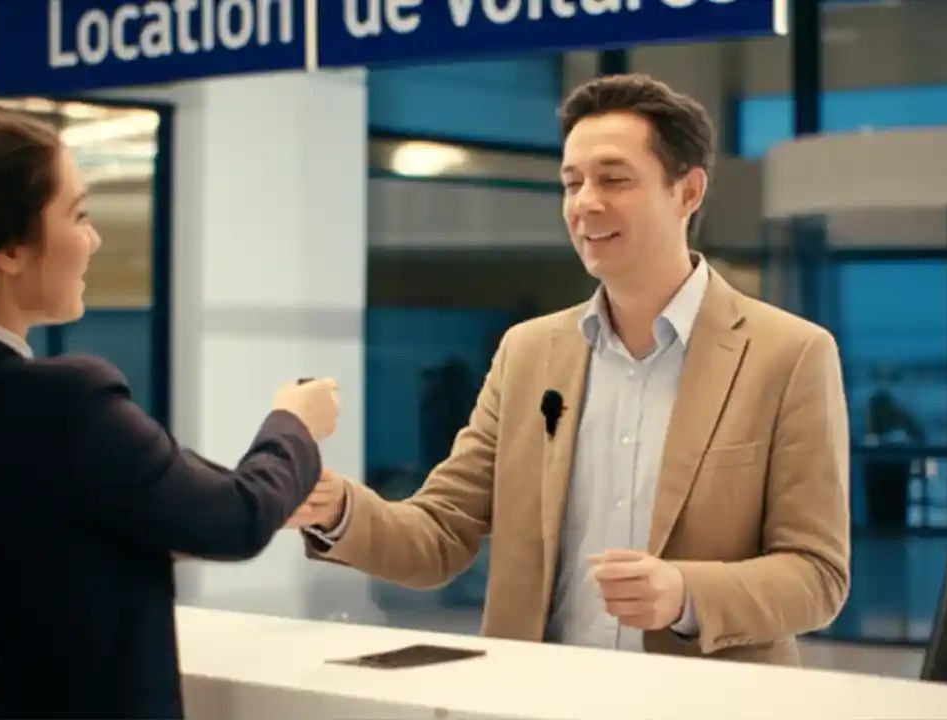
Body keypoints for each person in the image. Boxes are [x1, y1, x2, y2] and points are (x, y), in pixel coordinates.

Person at [289, 74, 850, 666]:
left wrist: (687, 594)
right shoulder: (528, 353)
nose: (585, 203)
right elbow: (440, 533)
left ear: (688, 193)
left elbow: (817, 575)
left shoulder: (788, 354)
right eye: (571, 182)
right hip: (535, 697)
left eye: (613, 179)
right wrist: (337, 508)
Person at [0, 102, 339, 718]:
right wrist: (294, 424)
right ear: (10, 248)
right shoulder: (69, 406)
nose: (93, 240)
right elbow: (236, 518)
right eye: (78, 214)